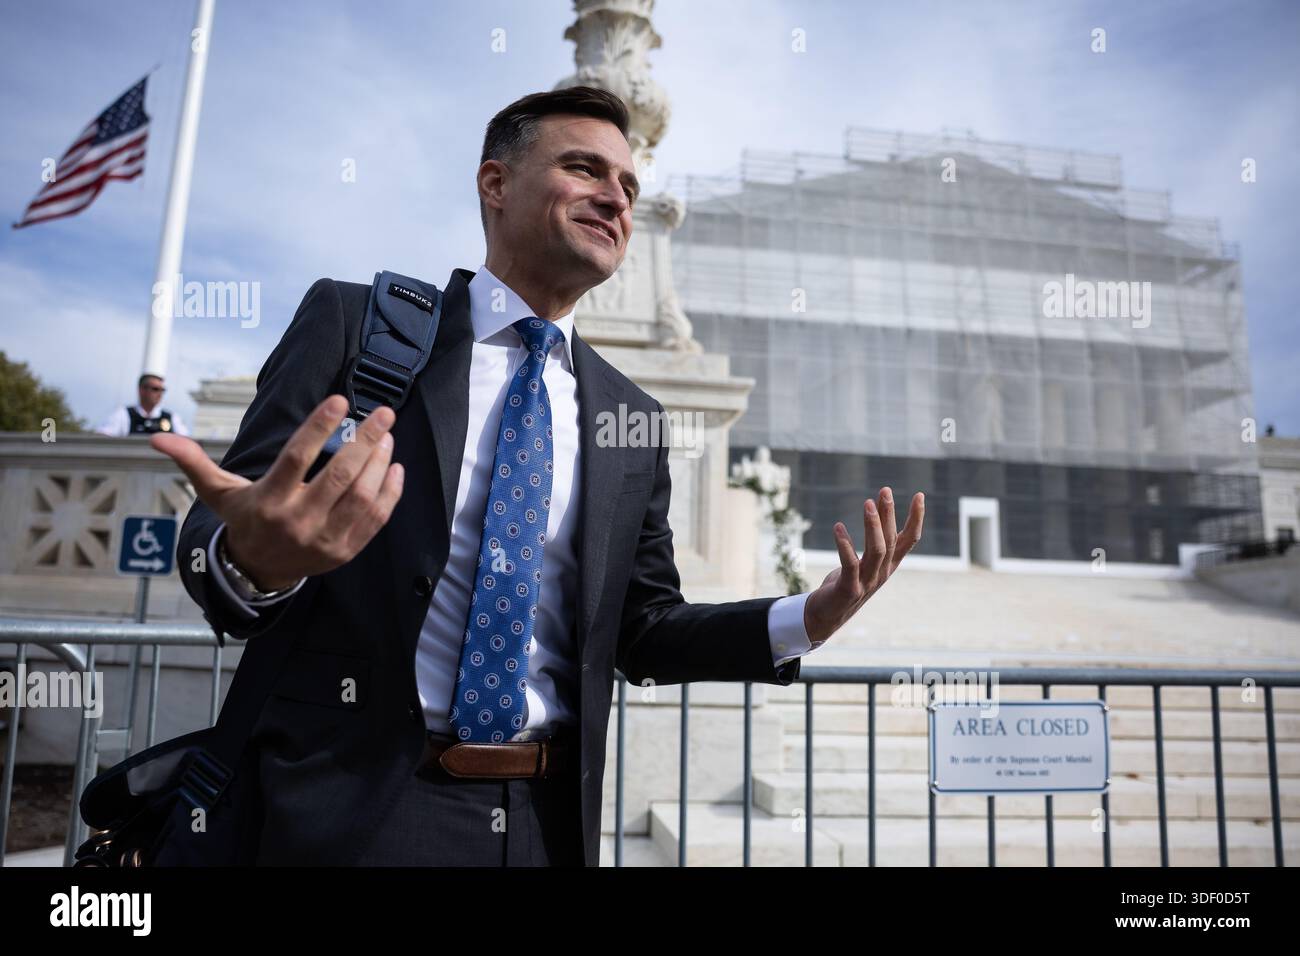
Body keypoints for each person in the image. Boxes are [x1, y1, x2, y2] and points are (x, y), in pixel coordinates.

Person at [149, 86, 925, 866]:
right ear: (495, 184)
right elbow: (228, 524)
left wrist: (805, 619)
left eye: (628, 186)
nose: (615, 198)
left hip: (541, 823)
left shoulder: (632, 416)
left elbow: (645, 630)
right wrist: (256, 562)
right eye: (583, 169)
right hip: (343, 808)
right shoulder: (356, 327)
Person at [95, 373, 190, 436]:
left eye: (162, 390)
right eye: (155, 389)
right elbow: (103, 437)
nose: (160, 394)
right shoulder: (123, 414)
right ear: (142, 390)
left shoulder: (172, 418)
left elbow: (186, 441)